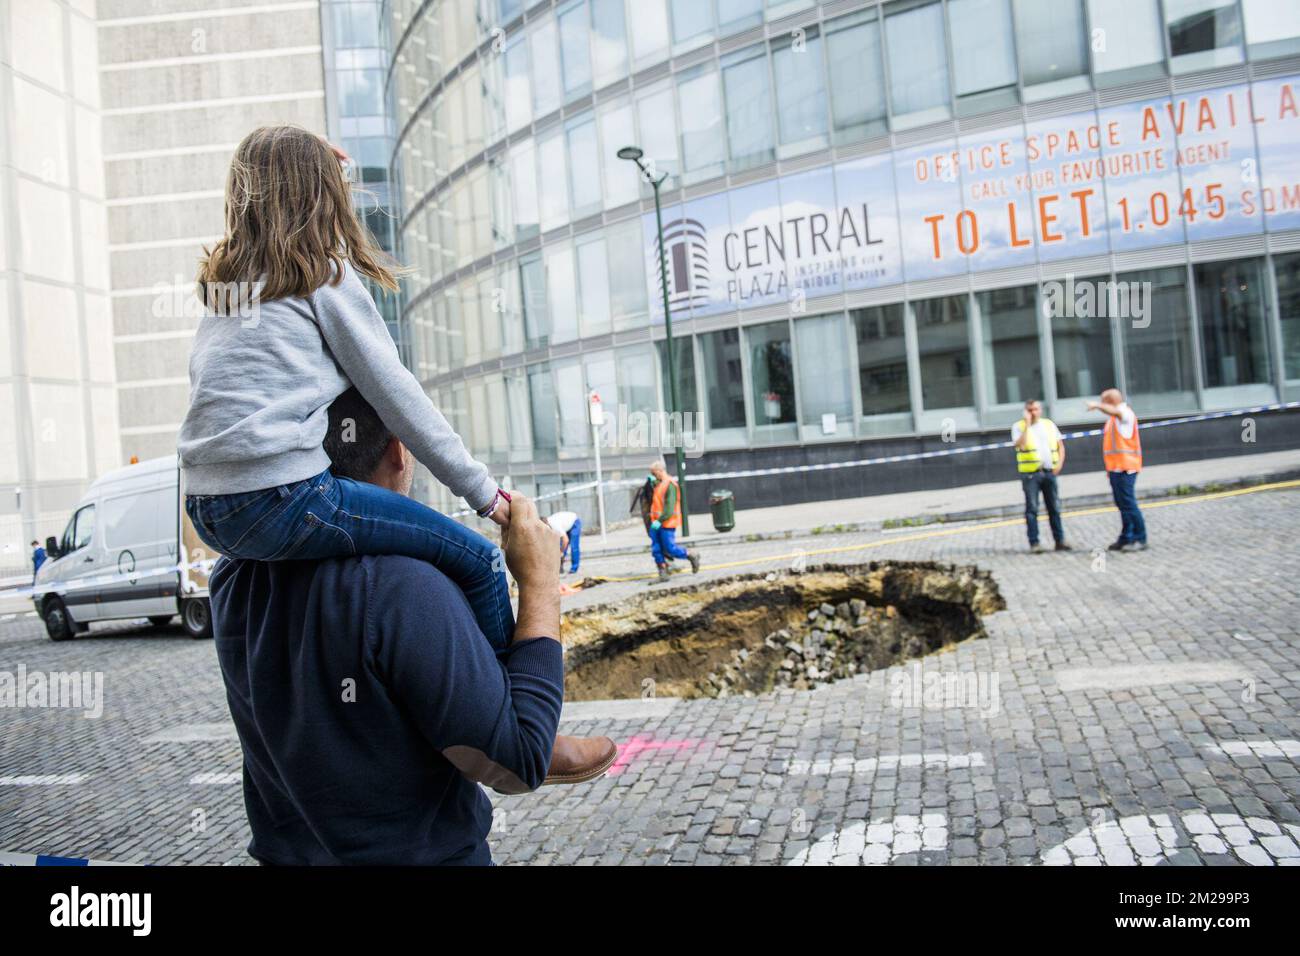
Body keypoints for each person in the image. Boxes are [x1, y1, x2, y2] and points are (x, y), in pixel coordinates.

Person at [209, 388, 617, 865]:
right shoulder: (403, 585)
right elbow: (520, 760)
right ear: (400, 450)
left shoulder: (233, 575)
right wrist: (541, 581)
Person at [177, 125, 515, 653]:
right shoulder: (323, 277)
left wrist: (305, 158)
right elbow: (396, 395)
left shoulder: (227, 291)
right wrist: (485, 495)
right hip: (283, 498)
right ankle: (513, 704)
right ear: (325, 195)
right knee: (481, 560)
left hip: (206, 509)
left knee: (259, 585)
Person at [1088, 388, 1147, 552]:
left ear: (1110, 402)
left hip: (1126, 468)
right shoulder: (1113, 419)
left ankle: (1140, 538)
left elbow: (1116, 413)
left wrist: (1097, 405)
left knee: (1129, 504)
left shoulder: (1125, 413)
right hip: (1116, 468)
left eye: (1104, 402)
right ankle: (1126, 537)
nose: (1102, 406)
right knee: (1123, 505)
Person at [1011, 399, 1070, 553]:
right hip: (1031, 475)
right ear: (1025, 411)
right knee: (1032, 509)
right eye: (1030, 410)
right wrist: (1027, 425)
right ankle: (1034, 543)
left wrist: (1059, 464)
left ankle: (1059, 540)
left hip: (1049, 472)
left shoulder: (1049, 425)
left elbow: (1060, 446)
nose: (1033, 412)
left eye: (1036, 409)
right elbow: (1021, 444)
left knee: (1054, 507)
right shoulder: (1018, 426)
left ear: (1041, 410)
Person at [648, 460, 700, 584]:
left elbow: (669, 509)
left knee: (670, 548)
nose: (653, 475)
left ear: (660, 471)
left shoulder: (670, 485)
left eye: (654, 473)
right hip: (656, 523)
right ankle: (663, 573)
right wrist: (653, 482)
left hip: (666, 523)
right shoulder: (659, 484)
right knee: (656, 549)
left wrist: (659, 520)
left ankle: (690, 554)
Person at [546, 510, 581, 574]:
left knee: (574, 547)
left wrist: (561, 551)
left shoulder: (554, 525)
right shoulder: (546, 524)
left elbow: (566, 540)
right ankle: (560, 566)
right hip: (565, 525)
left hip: (574, 522)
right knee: (561, 546)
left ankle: (574, 568)